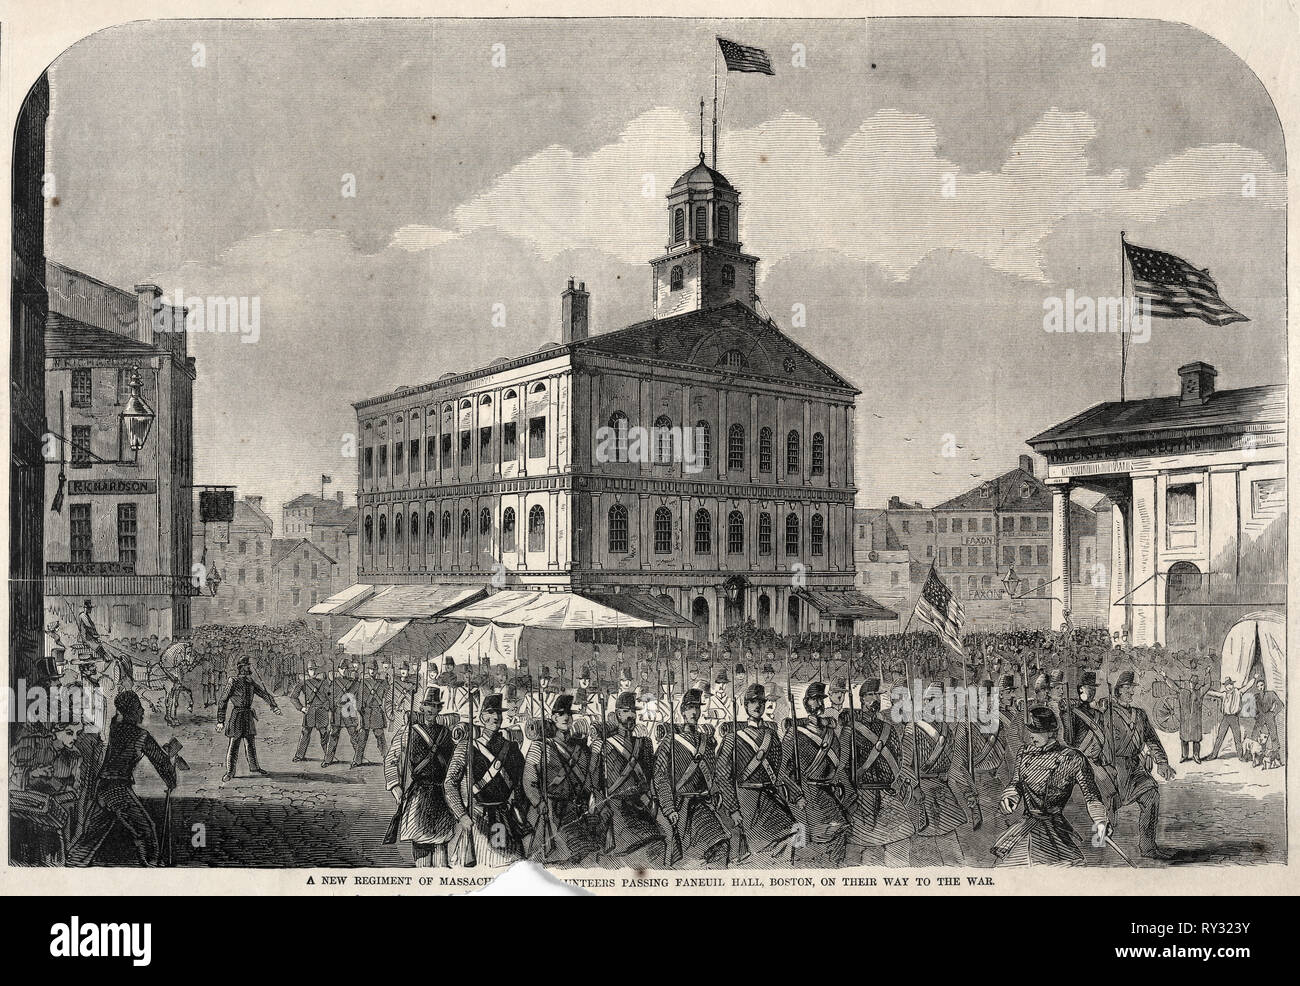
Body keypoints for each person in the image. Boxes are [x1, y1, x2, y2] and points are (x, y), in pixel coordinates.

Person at [68, 691, 176, 866]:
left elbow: (118, 720)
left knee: (91, 836)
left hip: (102, 788)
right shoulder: (141, 736)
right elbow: (161, 762)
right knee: (145, 830)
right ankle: (154, 866)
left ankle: (72, 863)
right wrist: (171, 781)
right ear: (131, 711)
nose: (142, 712)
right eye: (139, 708)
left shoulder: (114, 727)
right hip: (117, 790)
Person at [993, 706, 1110, 866]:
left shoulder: (1072, 758)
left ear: (1051, 731)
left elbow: (1091, 796)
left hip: (1054, 829)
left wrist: (1100, 822)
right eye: (1030, 731)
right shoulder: (1024, 752)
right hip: (1026, 826)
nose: (1031, 736)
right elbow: (1016, 783)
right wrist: (1010, 798)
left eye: (1037, 731)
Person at [714, 682, 796, 863]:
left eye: (760, 702)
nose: (757, 706)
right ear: (745, 706)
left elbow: (778, 768)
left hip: (769, 795)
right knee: (758, 851)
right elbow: (723, 775)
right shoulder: (732, 738)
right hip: (745, 798)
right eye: (752, 702)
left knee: (796, 832)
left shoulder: (771, 735)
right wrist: (733, 808)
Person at [1099, 669, 1176, 860]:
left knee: (1151, 795)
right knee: (1104, 807)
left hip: (1134, 768)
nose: (1131, 692)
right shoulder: (1106, 713)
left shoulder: (1140, 715)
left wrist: (1162, 762)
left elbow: (1152, 740)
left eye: (1132, 688)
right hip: (1113, 769)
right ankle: (1098, 845)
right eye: (1127, 688)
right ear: (1117, 690)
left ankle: (1148, 847)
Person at [444, 692, 526, 867]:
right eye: (490, 712)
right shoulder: (466, 747)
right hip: (477, 817)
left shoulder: (511, 748)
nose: (495, 717)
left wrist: (519, 809)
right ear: (482, 717)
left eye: (498, 713)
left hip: (504, 817)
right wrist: (462, 815)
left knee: (509, 865)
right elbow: (450, 783)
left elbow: (520, 782)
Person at [839, 677, 912, 866]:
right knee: (865, 852)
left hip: (887, 794)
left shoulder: (888, 728)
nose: (875, 699)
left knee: (901, 842)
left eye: (878, 695)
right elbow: (842, 768)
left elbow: (899, 760)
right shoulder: (850, 730)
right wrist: (851, 796)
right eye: (871, 695)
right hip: (862, 796)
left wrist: (899, 784)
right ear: (862, 699)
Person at [589, 690, 665, 867]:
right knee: (635, 849)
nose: (631, 715)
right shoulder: (603, 745)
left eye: (633, 711)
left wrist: (653, 800)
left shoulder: (644, 743)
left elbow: (649, 775)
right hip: (616, 806)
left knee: (659, 842)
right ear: (617, 715)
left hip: (641, 804)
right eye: (625, 711)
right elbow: (592, 781)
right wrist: (601, 806)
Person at [654, 687, 729, 866]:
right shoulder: (669, 742)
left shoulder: (705, 741)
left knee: (720, 844)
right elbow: (660, 777)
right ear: (682, 711)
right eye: (689, 708)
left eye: (697, 707)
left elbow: (713, 771)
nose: (694, 712)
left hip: (701, 804)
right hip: (679, 806)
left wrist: (715, 791)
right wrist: (669, 807)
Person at [524, 693, 600, 865]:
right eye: (560, 714)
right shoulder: (539, 746)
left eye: (568, 714)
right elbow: (529, 779)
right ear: (553, 718)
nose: (565, 717)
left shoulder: (580, 747)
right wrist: (538, 802)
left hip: (576, 810)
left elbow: (590, 778)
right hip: (552, 811)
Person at [779, 680, 849, 866]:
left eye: (820, 699)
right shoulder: (794, 733)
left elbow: (836, 764)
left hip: (826, 793)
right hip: (804, 794)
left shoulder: (830, 733)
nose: (818, 704)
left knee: (839, 830)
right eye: (813, 699)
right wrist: (797, 795)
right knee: (802, 839)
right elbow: (783, 771)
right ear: (805, 703)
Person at [385, 686, 456, 866]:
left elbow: (456, 765)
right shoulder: (409, 731)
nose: (430, 709)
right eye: (427, 705)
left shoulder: (447, 733)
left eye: (434, 706)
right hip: (419, 794)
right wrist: (395, 787)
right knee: (421, 846)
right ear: (422, 708)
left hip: (441, 796)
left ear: (439, 709)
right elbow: (392, 759)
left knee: (441, 849)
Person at [217, 656, 281, 780]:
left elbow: (263, 693)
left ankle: (254, 767)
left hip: (248, 715)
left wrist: (274, 706)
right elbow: (223, 701)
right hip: (237, 716)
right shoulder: (233, 681)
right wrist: (220, 720)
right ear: (241, 668)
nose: (249, 667)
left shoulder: (250, 681)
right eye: (247, 666)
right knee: (234, 745)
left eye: (249, 665)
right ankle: (230, 772)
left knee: (250, 744)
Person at [1159, 660, 1213, 763]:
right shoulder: (1183, 692)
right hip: (1185, 720)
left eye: (1194, 683)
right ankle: (1184, 756)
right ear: (1189, 683)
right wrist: (1165, 677)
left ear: (1196, 684)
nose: (1192, 685)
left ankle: (1196, 756)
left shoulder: (1199, 693)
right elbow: (1173, 686)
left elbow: (1207, 685)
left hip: (1195, 721)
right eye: (1191, 683)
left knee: (1196, 740)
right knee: (1184, 739)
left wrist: (1207, 673)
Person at [1206, 675, 1258, 761]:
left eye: (1230, 684)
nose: (1229, 687)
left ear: (1232, 685)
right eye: (1227, 685)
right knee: (1220, 736)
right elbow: (1214, 693)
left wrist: (1254, 678)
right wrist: (1204, 690)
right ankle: (1213, 755)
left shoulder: (1238, 692)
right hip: (1226, 718)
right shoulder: (1224, 694)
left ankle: (1240, 756)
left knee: (1237, 737)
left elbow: (1248, 686)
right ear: (1225, 686)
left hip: (1234, 718)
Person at [289, 661, 331, 763]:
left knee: (324, 734)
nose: (314, 671)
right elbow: (293, 697)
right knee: (305, 733)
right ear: (308, 671)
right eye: (311, 669)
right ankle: (299, 755)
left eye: (315, 669)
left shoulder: (324, 683)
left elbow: (330, 697)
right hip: (310, 711)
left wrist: (327, 706)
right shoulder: (303, 683)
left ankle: (328, 756)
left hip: (321, 712)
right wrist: (301, 708)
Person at [323, 660, 362, 768]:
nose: (343, 670)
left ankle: (358, 759)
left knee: (354, 735)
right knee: (333, 736)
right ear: (338, 669)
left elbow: (356, 697)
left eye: (345, 668)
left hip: (348, 711)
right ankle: (328, 759)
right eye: (341, 668)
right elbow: (329, 696)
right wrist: (331, 708)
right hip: (337, 713)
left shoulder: (353, 683)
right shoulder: (334, 682)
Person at [353, 662, 389, 767]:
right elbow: (359, 698)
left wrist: (387, 680)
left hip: (377, 712)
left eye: (374, 669)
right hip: (366, 713)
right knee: (362, 737)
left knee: (380, 737)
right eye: (370, 669)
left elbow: (387, 694)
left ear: (377, 671)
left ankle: (387, 757)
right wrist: (360, 710)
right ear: (368, 670)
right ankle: (357, 760)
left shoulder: (382, 683)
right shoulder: (363, 682)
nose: (372, 671)